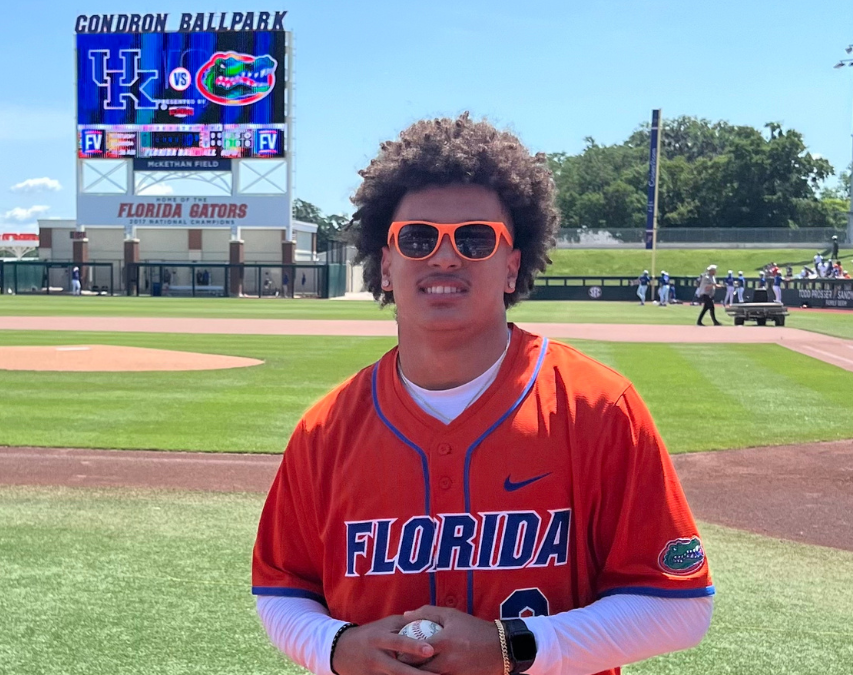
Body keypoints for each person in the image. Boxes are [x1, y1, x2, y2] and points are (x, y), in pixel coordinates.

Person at [252, 115, 713, 675]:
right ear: (387, 265)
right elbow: (281, 588)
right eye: (418, 237)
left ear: (512, 265)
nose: (445, 257)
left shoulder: (596, 406)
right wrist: (335, 649)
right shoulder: (325, 429)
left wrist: (511, 647)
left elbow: (679, 607)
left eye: (475, 238)